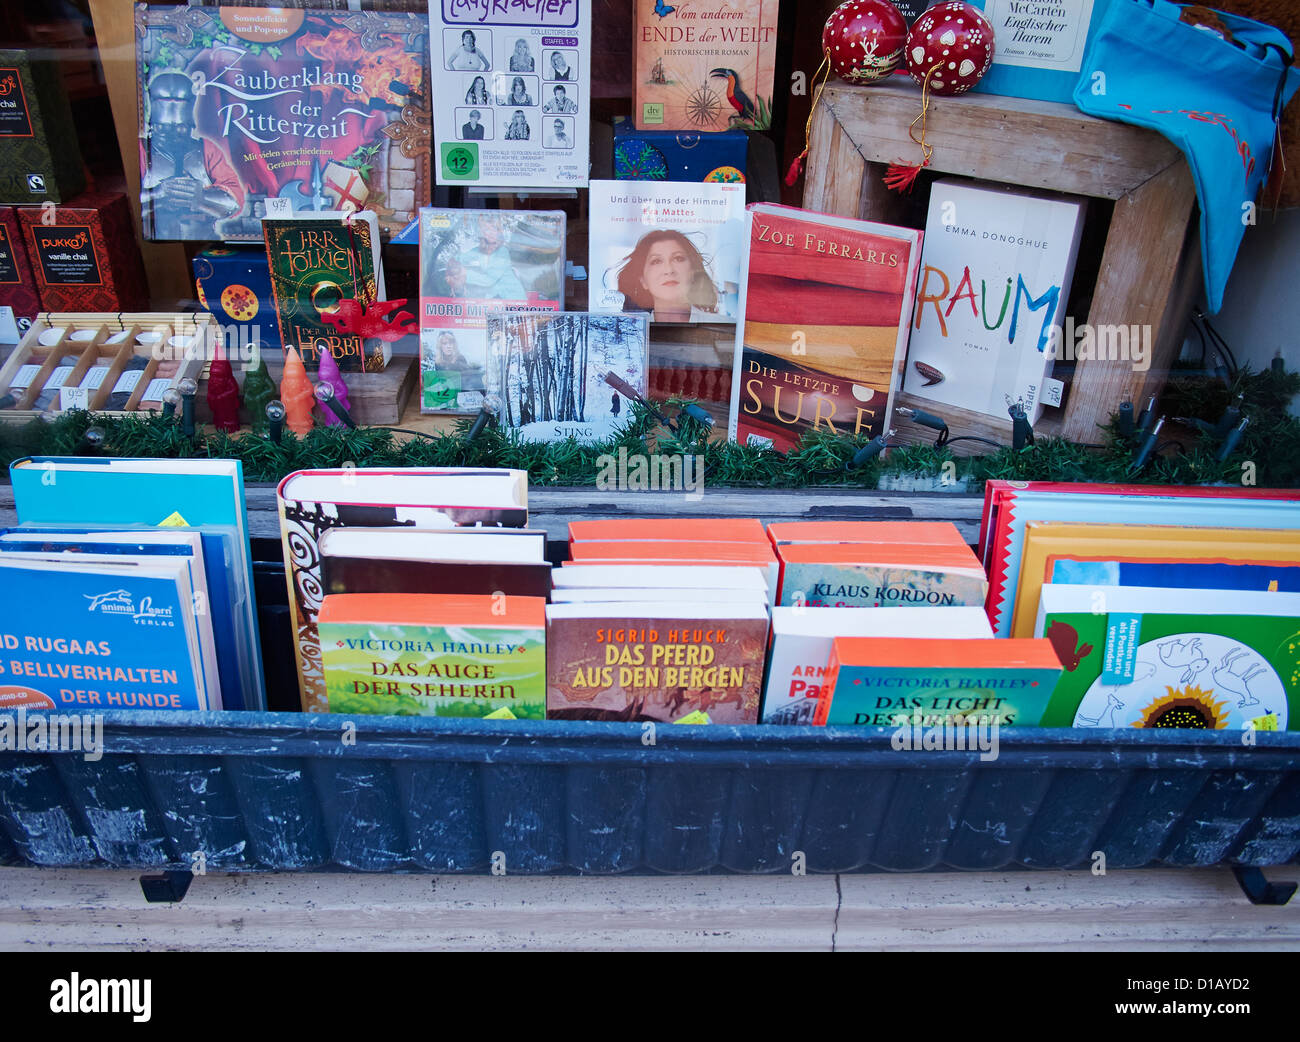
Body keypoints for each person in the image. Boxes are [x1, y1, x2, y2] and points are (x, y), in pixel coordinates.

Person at [615, 229, 718, 322]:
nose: (669, 270)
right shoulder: (630, 332)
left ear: (693, 271)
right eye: (656, 261)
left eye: (678, 258)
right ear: (643, 281)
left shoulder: (721, 326)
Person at [459, 216, 526, 299]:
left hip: (513, 300)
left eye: (493, 229)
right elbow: (459, 259)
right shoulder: (478, 251)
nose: (489, 233)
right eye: (485, 229)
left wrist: (463, 275)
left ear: (498, 232)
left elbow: (489, 280)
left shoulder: (502, 252)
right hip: (494, 300)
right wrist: (453, 264)